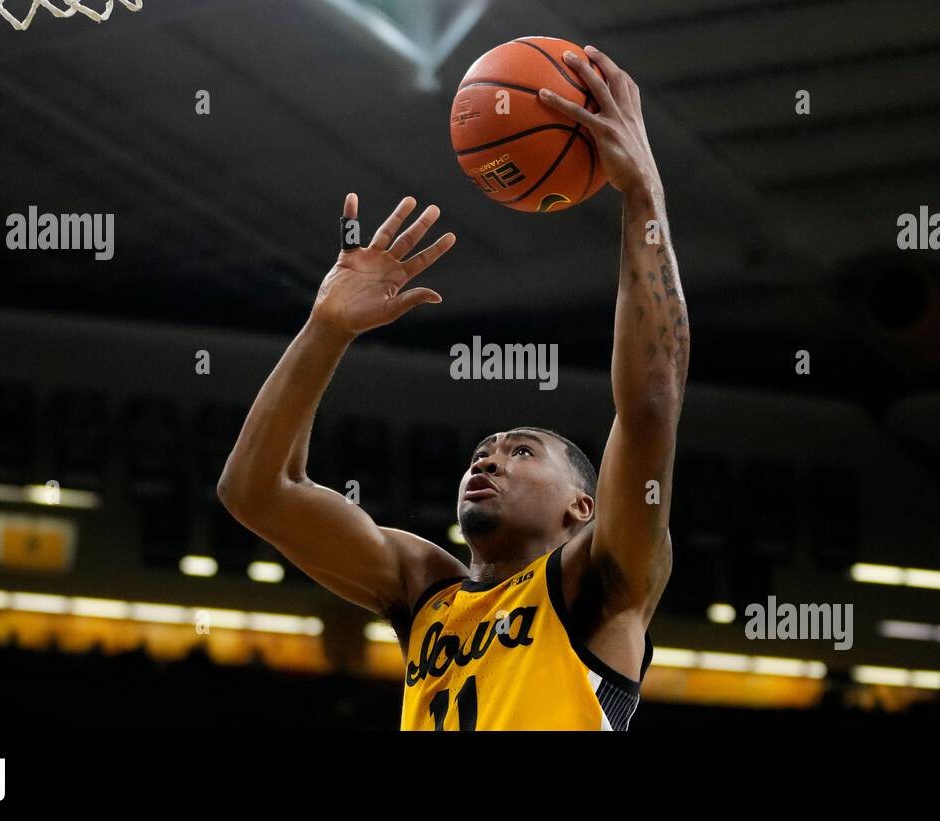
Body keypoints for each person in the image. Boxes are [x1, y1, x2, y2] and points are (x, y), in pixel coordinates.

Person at [218, 45, 688, 730]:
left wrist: (642, 193)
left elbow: (649, 407)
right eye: (486, 449)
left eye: (522, 451)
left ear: (582, 506)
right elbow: (257, 493)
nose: (488, 458)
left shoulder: (601, 580)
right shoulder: (425, 588)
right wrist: (325, 330)